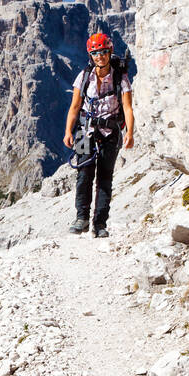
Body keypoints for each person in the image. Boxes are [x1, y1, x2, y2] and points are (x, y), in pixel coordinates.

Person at [62, 32, 134, 237]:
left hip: (110, 133)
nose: (99, 56)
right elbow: (75, 106)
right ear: (90, 55)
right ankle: (81, 218)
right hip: (84, 132)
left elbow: (128, 108)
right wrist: (68, 131)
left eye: (103, 52)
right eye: (95, 53)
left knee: (104, 178)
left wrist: (130, 132)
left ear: (109, 51)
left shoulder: (121, 77)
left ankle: (100, 224)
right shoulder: (84, 77)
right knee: (83, 175)